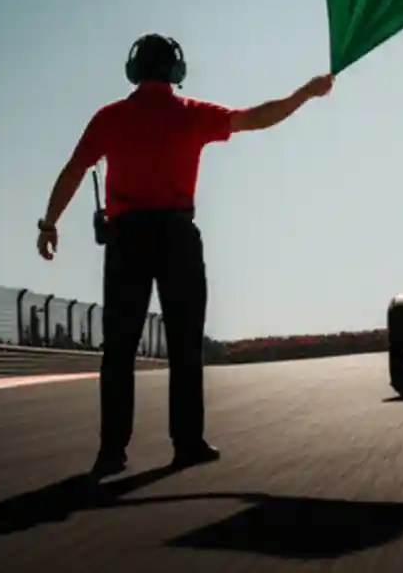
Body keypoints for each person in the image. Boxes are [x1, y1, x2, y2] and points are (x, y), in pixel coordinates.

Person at [35, 33, 333, 477]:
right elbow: (257, 118)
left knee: (119, 350)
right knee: (185, 345)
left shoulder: (110, 117)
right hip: (177, 237)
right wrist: (304, 94)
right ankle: (187, 443)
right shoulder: (192, 114)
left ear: (134, 70)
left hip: (126, 241)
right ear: (176, 70)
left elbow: (74, 169)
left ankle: (111, 452)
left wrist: (49, 223)